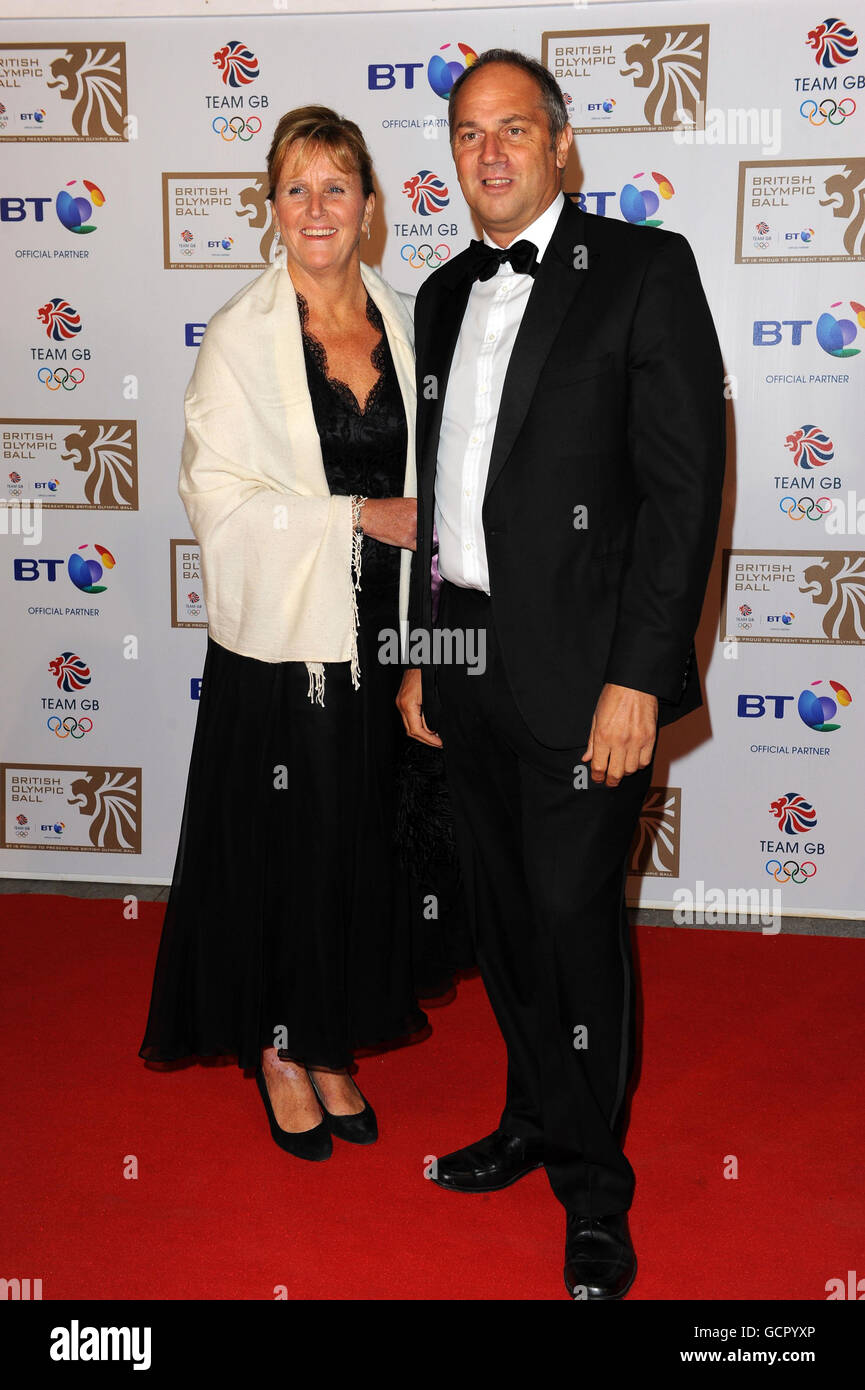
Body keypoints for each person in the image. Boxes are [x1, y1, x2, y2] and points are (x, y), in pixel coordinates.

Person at [397, 50, 725, 1298]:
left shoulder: (643, 272)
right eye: (468, 132)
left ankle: (595, 1184)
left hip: (591, 681)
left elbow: (683, 494)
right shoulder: (436, 295)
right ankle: (532, 1113)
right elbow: (438, 512)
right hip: (466, 664)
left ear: (561, 143)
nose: (489, 152)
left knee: (576, 922)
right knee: (499, 919)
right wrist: (423, 660)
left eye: (513, 129)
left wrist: (641, 679)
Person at [140, 105, 427, 1161]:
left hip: (386, 634)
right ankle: (277, 1047)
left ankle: (328, 1033)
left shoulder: (402, 322)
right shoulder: (242, 337)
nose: (317, 208)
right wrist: (351, 515)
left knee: (359, 840)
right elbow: (214, 497)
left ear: (369, 208)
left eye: (336, 187)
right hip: (283, 645)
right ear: (271, 208)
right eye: (296, 188)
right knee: (284, 846)